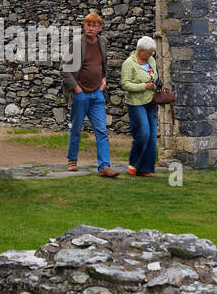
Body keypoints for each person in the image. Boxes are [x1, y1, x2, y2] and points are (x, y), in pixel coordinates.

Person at [59, 12, 119, 177]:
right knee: (77, 129)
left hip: (98, 94)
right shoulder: (76, 43)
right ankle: (72, 160)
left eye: (94, 26)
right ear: (84, 26)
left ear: (99, 28)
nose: (91, 28)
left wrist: (104, 79)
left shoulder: (103, 42)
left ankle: (104, 167)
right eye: (88, 25)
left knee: (101, 131)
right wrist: (77, 89)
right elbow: (64, 68)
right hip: (81, 94)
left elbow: (102, 63)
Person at [121, 36, 159, 177]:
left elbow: (155, 77)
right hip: (136, 103)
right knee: (143, 133)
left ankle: (145, 168)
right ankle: (134, 164)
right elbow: (125, 84)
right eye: (149, 52)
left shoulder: (151, 61)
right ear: (141, 51)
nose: (151, 55)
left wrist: (156, 84)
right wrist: (144, 86)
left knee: (152, 137)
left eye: (152, 52)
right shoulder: (129, 64)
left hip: (151, 102)